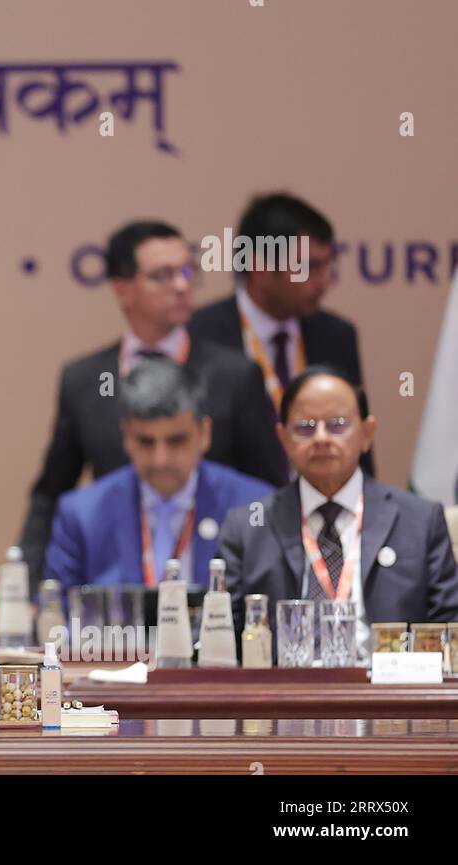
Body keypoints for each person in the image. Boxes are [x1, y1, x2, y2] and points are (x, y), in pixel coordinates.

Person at [18, 220, 287, 580]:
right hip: (118, 575)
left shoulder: (233, 374)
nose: (181, 285)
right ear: (122, 289)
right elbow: (52, 490)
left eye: (187, 271)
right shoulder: (86, 379)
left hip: (214, 573)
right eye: (163, 275)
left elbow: (268, 488)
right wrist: (29, 584)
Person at [218, 366, 458, 651]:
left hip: (387, 689)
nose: (321, 438)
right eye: (305, 427)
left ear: (367, 433)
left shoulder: (419, 520)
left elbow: (449, 627)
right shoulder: (247, 527)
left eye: (337, 424)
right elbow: (222, 636)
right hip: (284, 690)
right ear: (283, 438)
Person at [45, 358, 272, 590]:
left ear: (204, 433)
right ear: (126, 436)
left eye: (176, 441)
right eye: (146, 442)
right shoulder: (81, 514)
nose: (160, 460)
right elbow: (58, 615)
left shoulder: (254, 507)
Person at [189, 192, 373, 475]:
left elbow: (357, 442)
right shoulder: (201, 336)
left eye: (328, 265)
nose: (326, 281)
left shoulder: (337, 335)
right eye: (310, 267)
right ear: (260, 267)